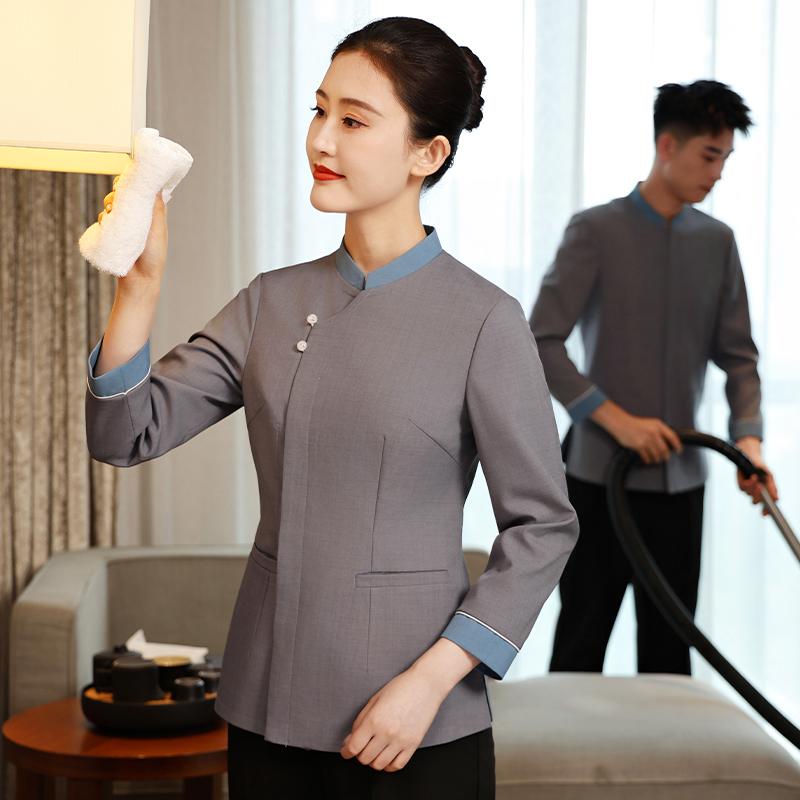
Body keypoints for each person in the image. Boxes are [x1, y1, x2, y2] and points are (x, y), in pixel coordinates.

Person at [85, 17, 578, 799]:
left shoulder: (484, 320)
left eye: (353, 121)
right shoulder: (271, 302)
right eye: (319, 111)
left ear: (427, 154)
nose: (320, 139)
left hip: (415, 723)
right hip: (266, 704)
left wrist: (431, 681)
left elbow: (543, 526)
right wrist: (138, 290)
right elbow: (124, 433)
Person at [529, 79, 779, 676]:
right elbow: (539, 342)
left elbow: (738, 357)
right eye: (709, 156)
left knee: (671, 654)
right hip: (596, 479)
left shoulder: (718, 243)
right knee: (581, 640)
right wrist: (617, 421)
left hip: (680, 486)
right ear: (667, 146)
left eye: (725, 159)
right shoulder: (595, 231)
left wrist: (748, 442)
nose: (718, 173)